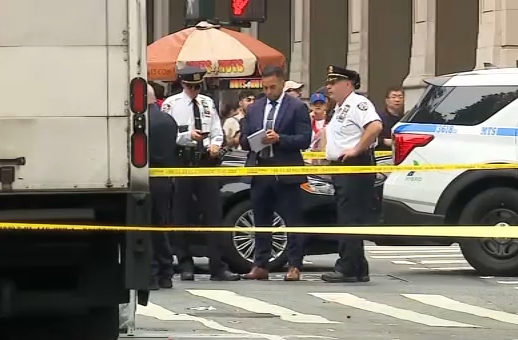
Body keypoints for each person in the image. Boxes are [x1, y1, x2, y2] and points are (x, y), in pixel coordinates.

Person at [161, 65, 240, 282]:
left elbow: (216, 129)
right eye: (190, 86)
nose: (194, 90)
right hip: (183, 161)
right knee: (181, 214)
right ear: (183, 84)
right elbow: (167, 134)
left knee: (213, 213)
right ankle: (185, 263)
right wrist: (188, 136)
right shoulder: (172, 104)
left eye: (197, 86)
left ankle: (218, 265)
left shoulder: (207, 102)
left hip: (206, 162)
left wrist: (215, 144)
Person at [239, 65, 311, 282]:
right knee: (261, 218)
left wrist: (281, 139)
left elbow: (305, 139)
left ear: (282, 83)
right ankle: (260, 264)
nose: (269, 91)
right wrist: (253, 141)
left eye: (272, 87)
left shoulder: (297, 107)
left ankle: (294, 265)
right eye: (265, 87)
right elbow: (243, 139)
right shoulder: (255, 108)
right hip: (261, 167)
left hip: (286, 169)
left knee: (292, 219)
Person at [322, 65, 382, 283]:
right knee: (348, 217)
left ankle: (347, 267)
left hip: (355, 166)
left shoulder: (358, 103)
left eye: (333, 82)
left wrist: (357, 149)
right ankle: (358, 267)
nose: (329, 86)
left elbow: (375, 127)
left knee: (349, 217)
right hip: (341, 167)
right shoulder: (339, 107)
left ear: (348, 84)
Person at [147, 83, 179, 290]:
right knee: (161, 226)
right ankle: (166, 272)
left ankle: (152, 272)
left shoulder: (139, 122)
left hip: (146, 178)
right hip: (165, 179)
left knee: (146, 229)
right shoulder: (168, 120)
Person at [377, 87, 405, 152]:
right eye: (393, 97)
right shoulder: (378, 118)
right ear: (387, 100)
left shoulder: (406, 119)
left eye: (400, 97)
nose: (397, 100)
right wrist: (384, 141)